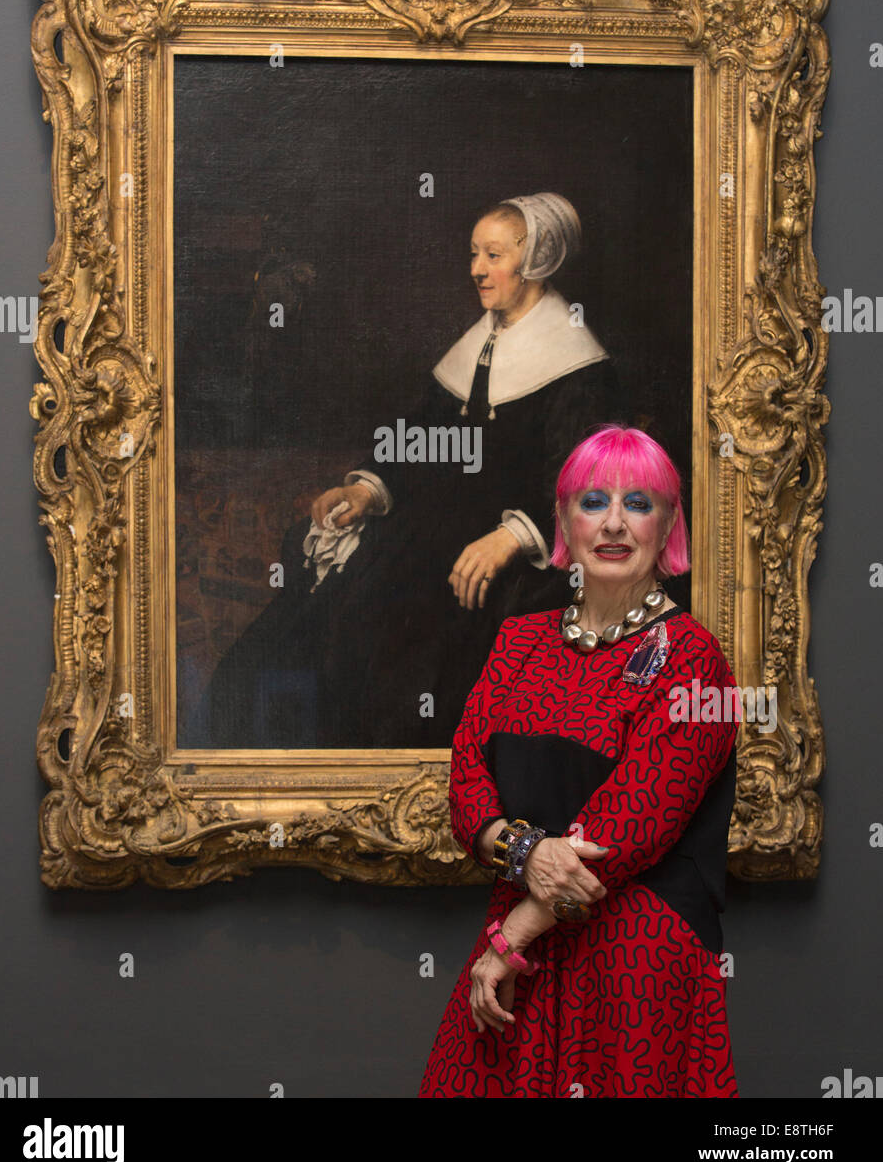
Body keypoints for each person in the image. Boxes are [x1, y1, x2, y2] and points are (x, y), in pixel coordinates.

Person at [189, 193, 627, 749]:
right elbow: (420, 434)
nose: (475, 269)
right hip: (435, 531)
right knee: (322, 591)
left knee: (398, 635)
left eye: (492, 255)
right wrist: (367, 489)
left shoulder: (579, 365)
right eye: (473, 254)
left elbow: (591, 487)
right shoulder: (480, 343)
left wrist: (511, 538)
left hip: (516, 555)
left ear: (535, 258)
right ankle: (251, 748)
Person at [419, 425, 740, 1098]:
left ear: (670, 522)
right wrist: (527, 852)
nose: (615, 523)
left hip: (635, 957)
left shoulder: (693, 659)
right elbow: (466, 781)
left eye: (640, 502)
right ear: (564, 518)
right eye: (594, 501)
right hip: (520, 952)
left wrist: (512, 938)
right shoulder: (518, 642)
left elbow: (631, 824)